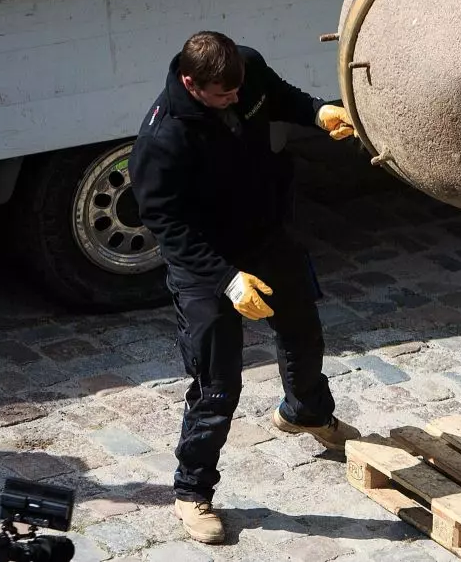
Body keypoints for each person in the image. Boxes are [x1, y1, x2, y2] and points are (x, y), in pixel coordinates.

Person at [129, 31, 359, 544]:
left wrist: (319, 112)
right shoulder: (162, 140)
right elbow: (169, 228)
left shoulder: (245, 69)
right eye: (221, 95)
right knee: (217, 381)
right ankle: (192, 491)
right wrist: (226, 280)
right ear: (191, 83)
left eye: (237, 90)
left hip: (263, 234)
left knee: (303, 327)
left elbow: (281, 97)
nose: (233, 99)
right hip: (205, 261)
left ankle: (307, 412)